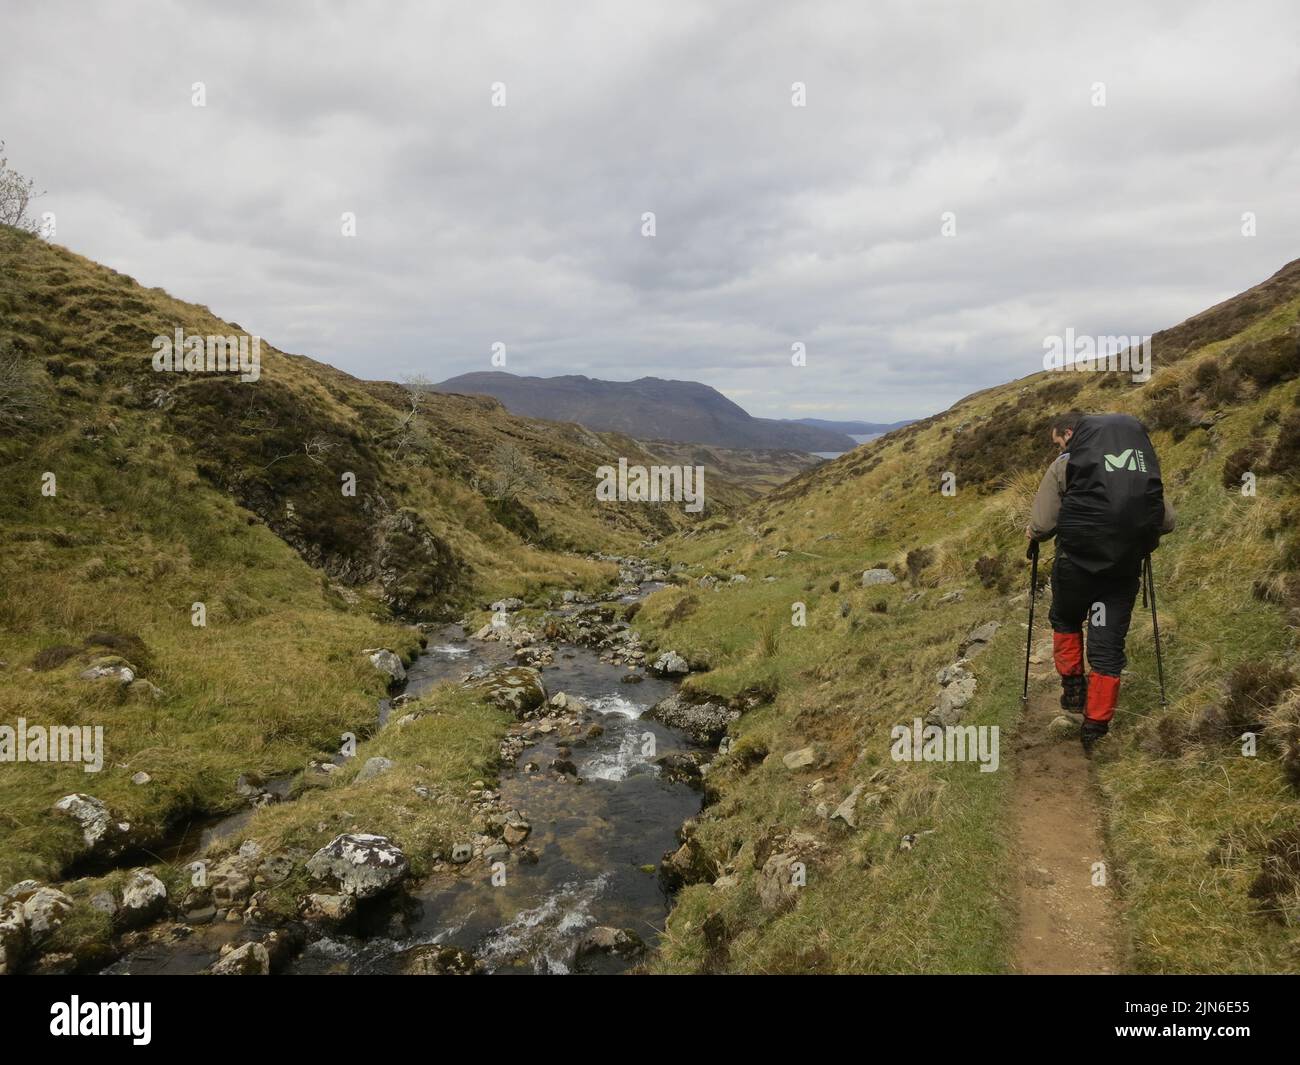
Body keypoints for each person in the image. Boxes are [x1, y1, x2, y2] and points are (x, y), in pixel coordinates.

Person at [1026, 411, 1176, 752]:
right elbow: (1167, 521)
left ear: (1069, 434)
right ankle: (1095, 728)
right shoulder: (1137, 465)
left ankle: (1073, 687)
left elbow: (1043, 524)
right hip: (1121, 572)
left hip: (1076, 568)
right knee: (1107, 649)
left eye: (1059, 443)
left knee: (1066, 619)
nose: (1059, 449)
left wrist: (1033, 533)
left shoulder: (1064, 465)